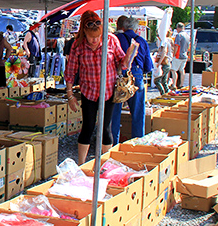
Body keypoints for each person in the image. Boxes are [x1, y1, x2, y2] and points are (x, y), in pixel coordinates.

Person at [65, 11, 127, 164]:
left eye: (98, 37)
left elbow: (121, 60)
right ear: (84, 33)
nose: (94, 40)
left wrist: (127, 59)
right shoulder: (77, 45)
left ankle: (106, 164)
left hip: (109, 91)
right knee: (88, 127)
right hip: (88, 91)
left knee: (106, 128)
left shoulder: (111, 40)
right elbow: (70, 72)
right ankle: (81, 164)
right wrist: (70, 95)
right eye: (91, 37)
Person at [111, 16, 153, 143]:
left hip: (118, 76)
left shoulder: (116, 39)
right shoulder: (141, 41)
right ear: (136, 29)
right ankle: (137, 142)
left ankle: (112, 143)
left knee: (115, 112)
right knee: (138, 112)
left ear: (122, 27)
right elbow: (148, 65)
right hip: (137, 75)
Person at [154, 29, 173, 95]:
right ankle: (167, 93)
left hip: (164, 63)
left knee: (157, 81)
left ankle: (163, 94)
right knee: (164, 81)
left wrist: (159, 63)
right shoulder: (167, 41)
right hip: (167, 63)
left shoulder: (164, 42)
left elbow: (164, 53)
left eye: (158, 35)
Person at [170, 22, 190, 88]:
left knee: (173, 70)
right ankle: (181, 84)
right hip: (185, 55)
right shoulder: (187, 35)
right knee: (182, 70)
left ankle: (174, 84)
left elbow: (177, 46)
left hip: (178, 55)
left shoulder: (179, 35)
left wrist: (174, 54)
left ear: (178, 28)